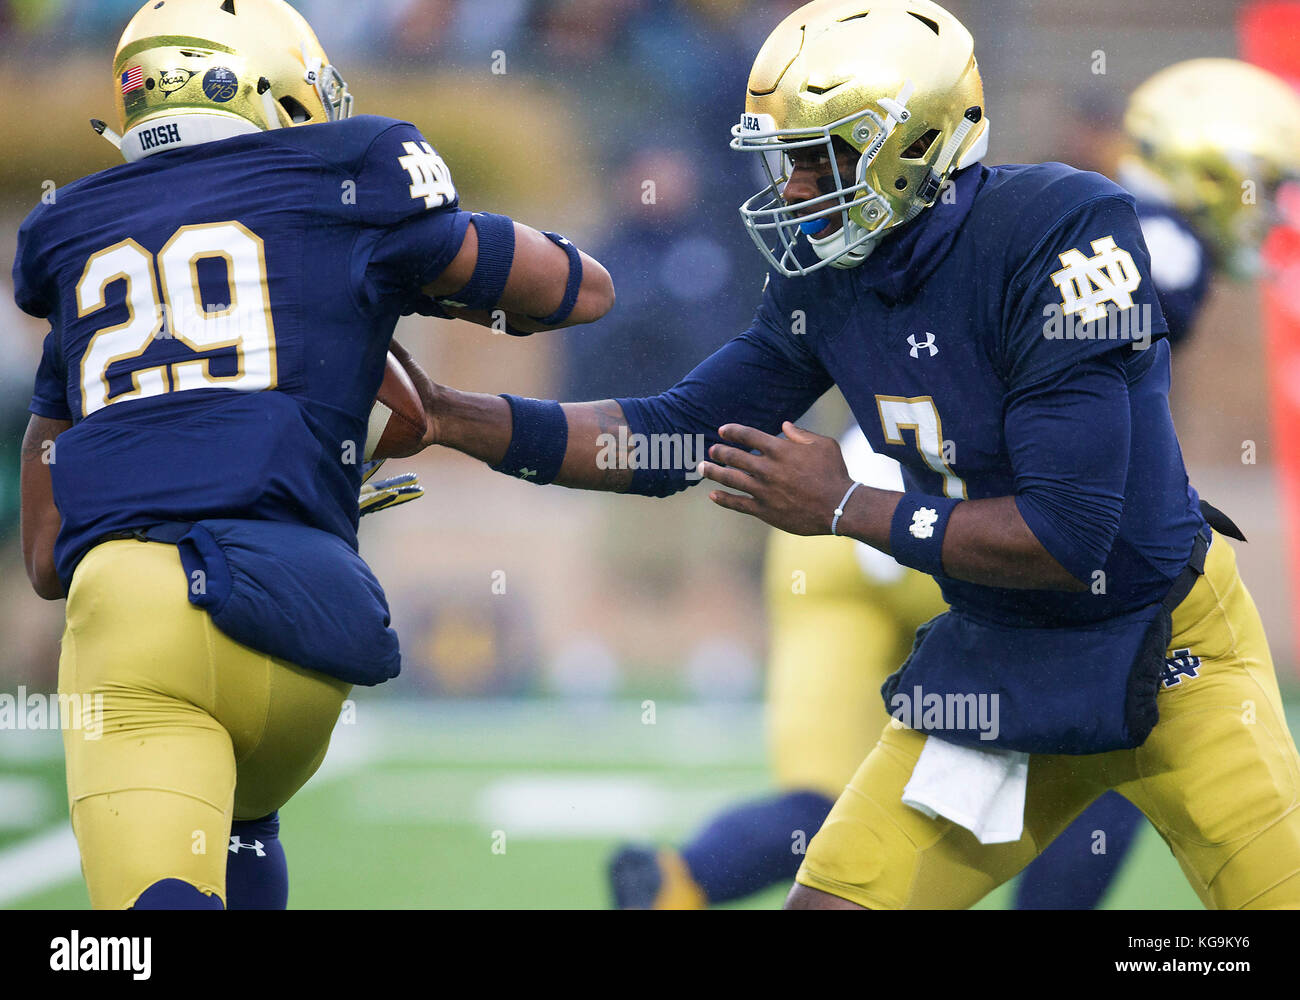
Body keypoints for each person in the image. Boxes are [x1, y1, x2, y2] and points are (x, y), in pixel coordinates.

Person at [414, 0, 1300, 909]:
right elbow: (671, 435)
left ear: (916, 145)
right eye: (786, 158)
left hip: (1169, 651)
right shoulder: (826, 278)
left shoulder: (1066, 229)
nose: (795, 187)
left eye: (822, 155)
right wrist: (453, 416)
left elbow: (1067, 532)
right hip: (1000, 663)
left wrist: (846, 507)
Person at [14, 0, 613, 910]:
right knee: (247, 832)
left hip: (142, 622)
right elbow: (576, 291)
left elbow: (46, 557)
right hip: (310, 623)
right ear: (271, 84)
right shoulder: (352, 168)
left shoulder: (73, 229)